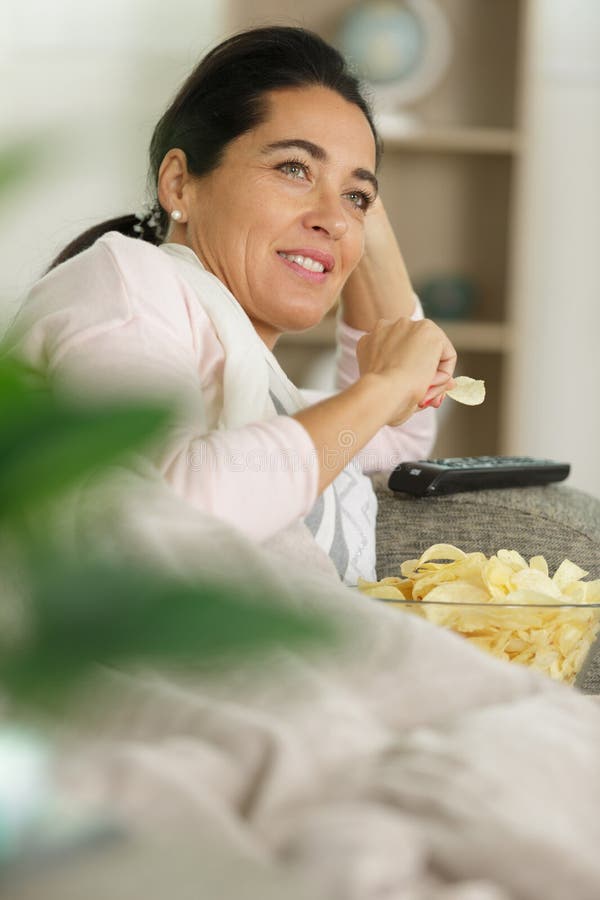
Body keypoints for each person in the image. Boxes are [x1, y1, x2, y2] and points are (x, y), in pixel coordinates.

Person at [7, 26, 456, 584]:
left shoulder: (260, 392)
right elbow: (166, 519)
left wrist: (349, 213)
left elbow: (397, 434)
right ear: (179, 185)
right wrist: (384, 386)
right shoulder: (128, 283)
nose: (336, 218)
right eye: (294, 168)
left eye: (358, 197)